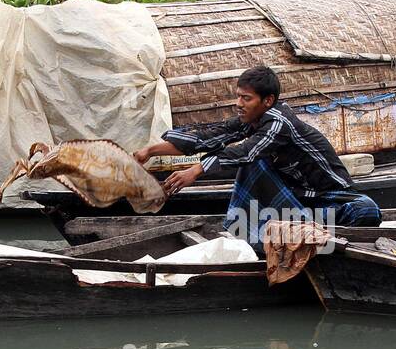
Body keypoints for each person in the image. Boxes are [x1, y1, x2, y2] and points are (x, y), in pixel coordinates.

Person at [132, 66, 382, 248]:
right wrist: (150, 151)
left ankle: (293, 235)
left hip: (329, 199)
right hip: (298, 202)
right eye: (238, 96)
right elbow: (208, 137)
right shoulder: (251, 119)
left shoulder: (279, 123)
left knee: (367, 210)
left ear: (268, 101)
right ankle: (267, 236)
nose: (238, 103)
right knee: (253, 163)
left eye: (246, 98)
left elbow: (246, 151)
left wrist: (196, 170)